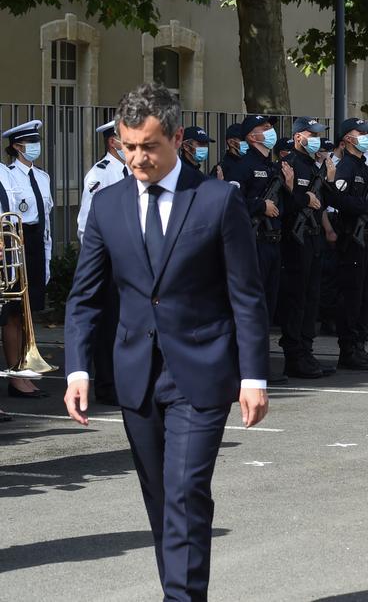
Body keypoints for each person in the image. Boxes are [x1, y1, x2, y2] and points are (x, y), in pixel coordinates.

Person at [62, 83, 270, 601]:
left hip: (200, 372)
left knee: (184, 492)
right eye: (128, 146)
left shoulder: (218, 200)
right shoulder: (107, 206)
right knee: (159, 497)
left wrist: (253, 376)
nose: (137, 157)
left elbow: (247, 297)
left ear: (177, 138)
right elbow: (83, 298)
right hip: (136, 376)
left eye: (149, 146)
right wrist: (78, 370)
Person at [227, 115, 293, 368]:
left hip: (274, 242)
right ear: (251, 136)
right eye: (263, 128)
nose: (269, 131)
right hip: (254, 243)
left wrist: (288, 187)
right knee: (252, 304)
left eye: (270, 128)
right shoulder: (242, 167)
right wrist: (259, 205)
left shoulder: (273, 168)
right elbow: (231, 204)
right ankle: (246, 361)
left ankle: (259, 358)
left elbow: (286, 209)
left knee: (268, 304)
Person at [78, 120, 131, 405]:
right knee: (109, 323)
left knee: (126, 323)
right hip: (110, 258)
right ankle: (107, 384)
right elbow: (87, 222)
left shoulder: (132, 171)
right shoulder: (100, 174)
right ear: (113, 142)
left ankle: (123, 380)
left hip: (130, 258)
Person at [331, 118, 368, 370]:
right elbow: (340, 199)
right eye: (360, 133)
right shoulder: (345, 167)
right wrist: (367, 206)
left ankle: (360, 345)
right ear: (348, 139)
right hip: (351, 239)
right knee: (352, 296)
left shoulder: (364, 167)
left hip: (367, 237)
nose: (365, 137)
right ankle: (349, 349)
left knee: (366, 296)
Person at [1, 120, 53, 399]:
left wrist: (46, 261)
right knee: (13, 315)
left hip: (35, 245)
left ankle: (26, 371)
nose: (35, 147)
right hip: (16, 241)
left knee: (29, 315)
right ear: (17, 146)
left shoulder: (42, 177)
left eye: (36, 142)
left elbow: (46, 225)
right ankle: (16, 376)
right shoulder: (8, 175)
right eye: (30, 143)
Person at [279, 117, 334, 378]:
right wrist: (298, 195)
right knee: (297, 299)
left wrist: (330, 180)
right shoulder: (288, 164)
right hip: (295, 241)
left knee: (311, 299)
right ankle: (294, 355)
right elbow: (282, 206)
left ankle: (307, 351)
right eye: (311, 134)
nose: (316, 139)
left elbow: (328, 200)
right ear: (299, 137)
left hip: (313, 239)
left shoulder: (314, 165)